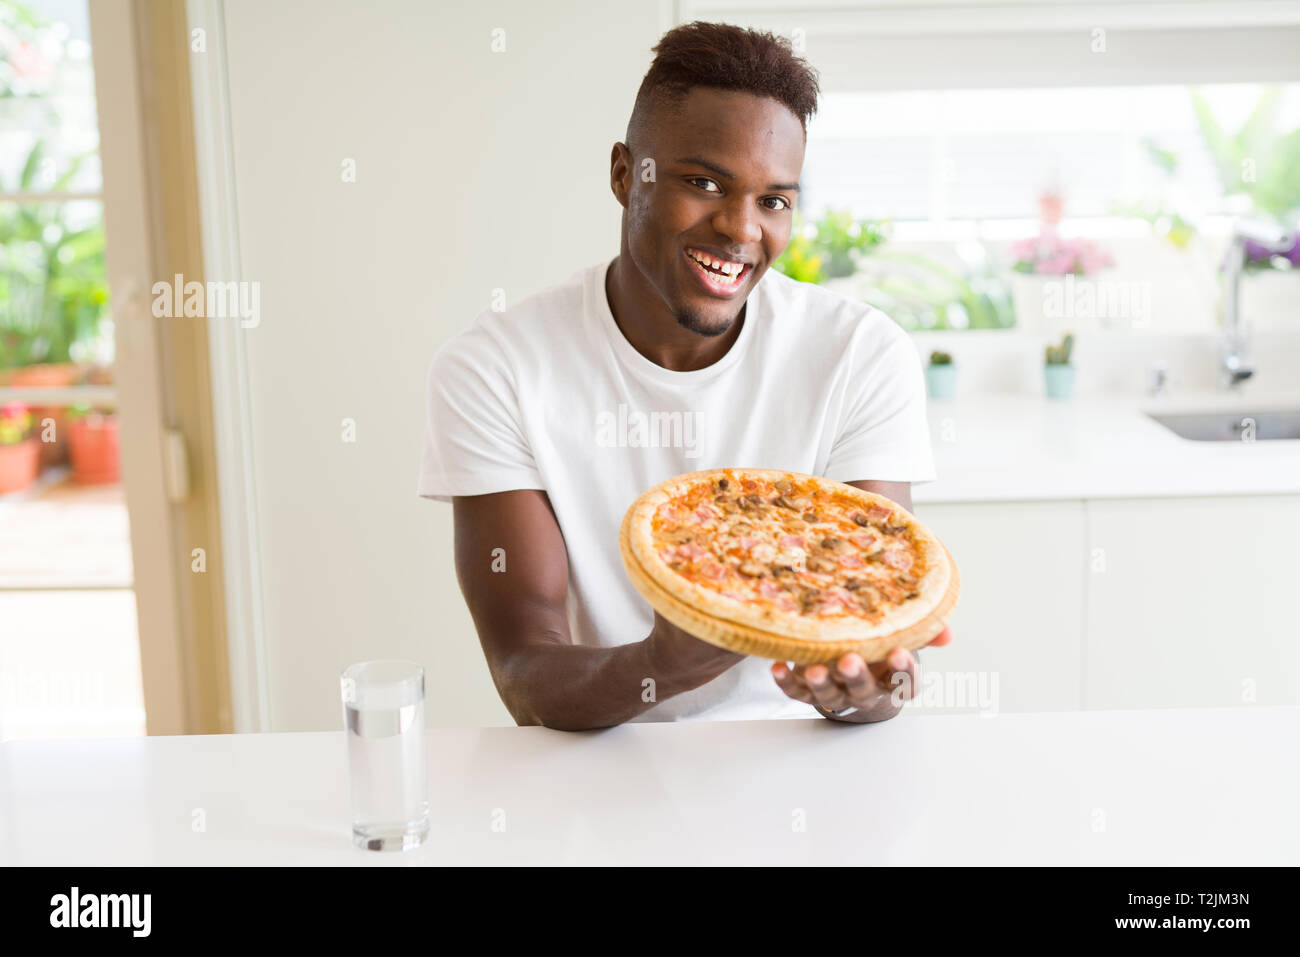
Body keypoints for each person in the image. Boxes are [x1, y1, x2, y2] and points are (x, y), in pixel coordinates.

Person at [418, 21, 951, 730]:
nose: (740, 229)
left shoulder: (861, 353)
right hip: (601, 770)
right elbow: (523, 670)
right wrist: (660, 665)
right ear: (623, 174)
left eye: (774, 200)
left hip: (802, 762)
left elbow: (875, 646)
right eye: (704, 182)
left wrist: (873, 691)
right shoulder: (494, 369)